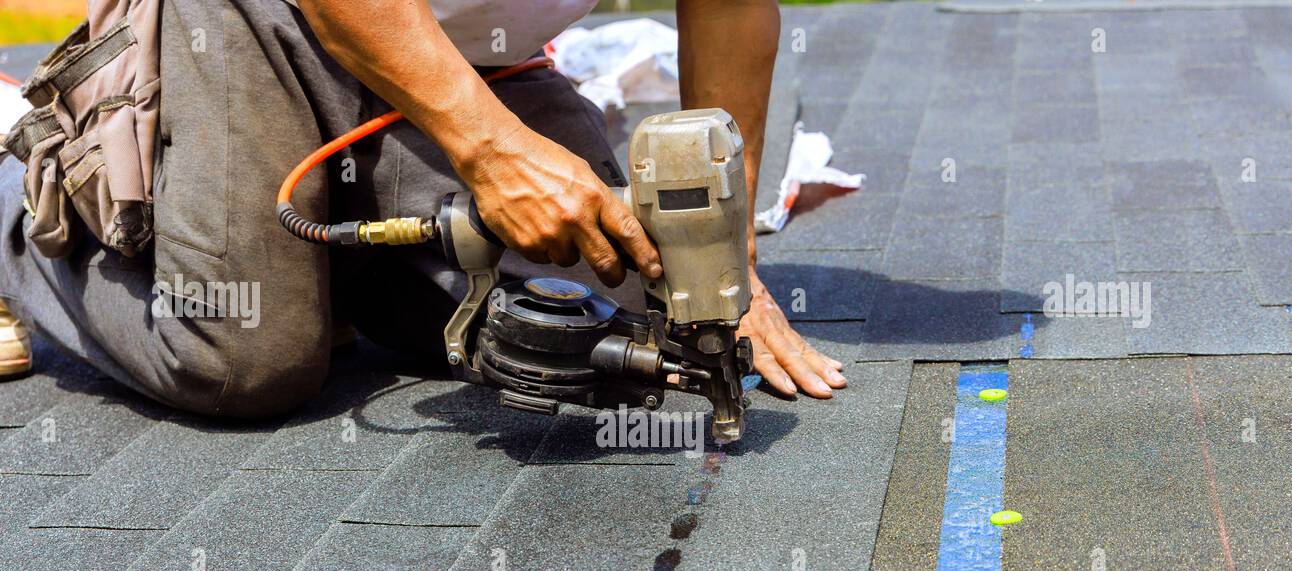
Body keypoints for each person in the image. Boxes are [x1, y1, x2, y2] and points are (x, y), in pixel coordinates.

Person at [0, 0, 846, 412]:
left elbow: (731, 12)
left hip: (468, 62)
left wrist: (723, 265)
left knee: (622, 320)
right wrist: (494, 152)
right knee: (241, 360)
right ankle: (15, 212)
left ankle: (325, 264)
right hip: (255, 24)